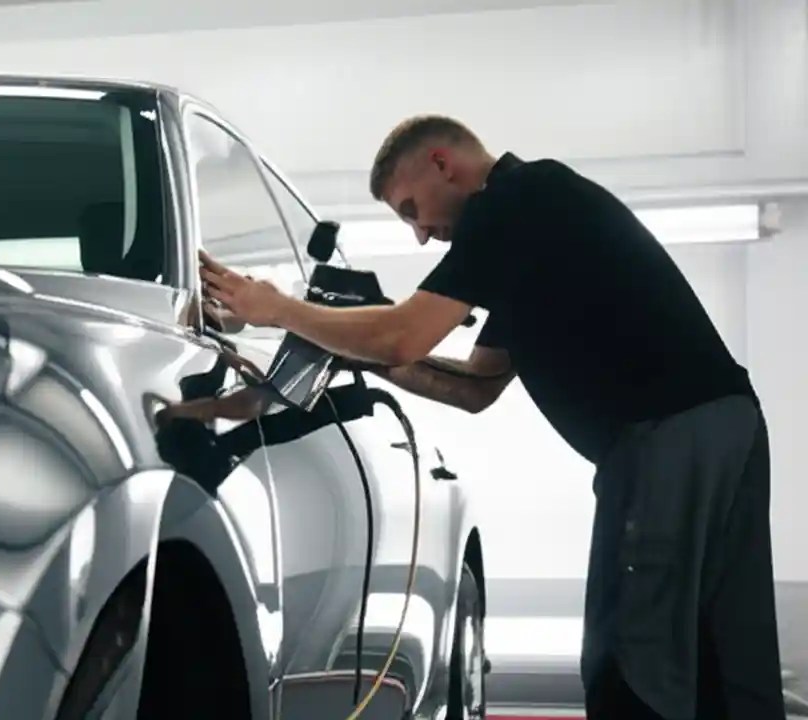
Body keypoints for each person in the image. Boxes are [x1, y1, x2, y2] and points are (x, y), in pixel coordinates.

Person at [198, 115, 785, 719]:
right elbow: (476, 384)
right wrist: (350, 350)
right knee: (727, 662)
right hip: (724, 425)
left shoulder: (511, 203)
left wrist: (279, 310)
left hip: (668, 438)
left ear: (441, 164)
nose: (422, 234)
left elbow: (403, 335)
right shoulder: (538, 220)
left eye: (410, 209)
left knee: (632, 661)